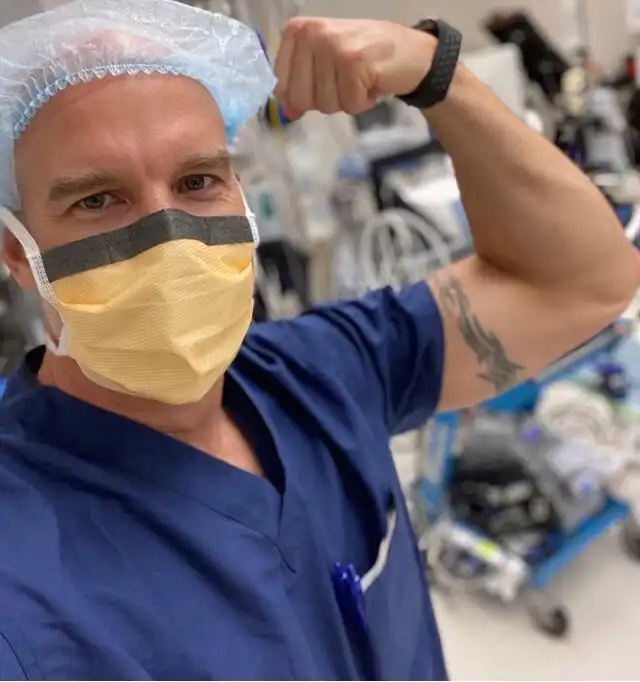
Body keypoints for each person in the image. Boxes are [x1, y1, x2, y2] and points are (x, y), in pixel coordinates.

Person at [0, 0, 636, 679]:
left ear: (242, 200)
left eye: (197, 181)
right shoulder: (23, 584)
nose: (169, 237)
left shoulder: (324, 371)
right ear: (18, 254)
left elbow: (582, 282)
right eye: (97, 200)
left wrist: (436, 71)